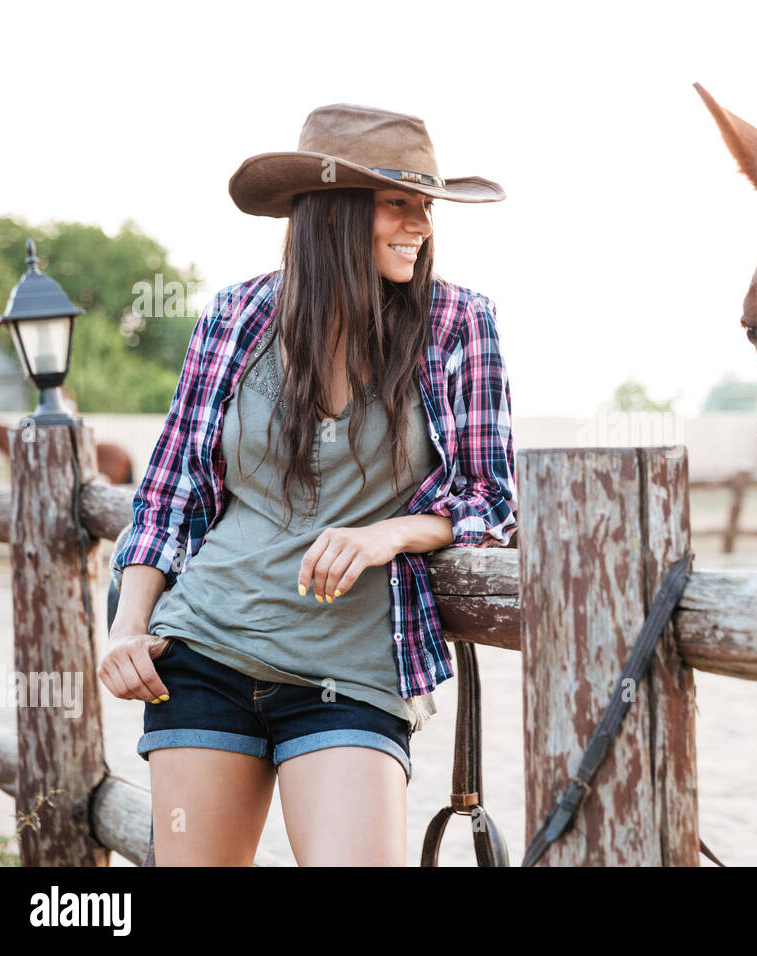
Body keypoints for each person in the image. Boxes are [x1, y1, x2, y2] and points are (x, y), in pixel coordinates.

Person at [99, 103, 516, 866]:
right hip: (204, 655)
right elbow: (169, 494)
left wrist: (391, 532)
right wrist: (128, 626)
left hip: (351, 675)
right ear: (335, 210)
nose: (420, 223)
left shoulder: (459, 322)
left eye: (426, 205)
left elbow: (491, 497)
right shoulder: (236, 316)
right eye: (399, 202)